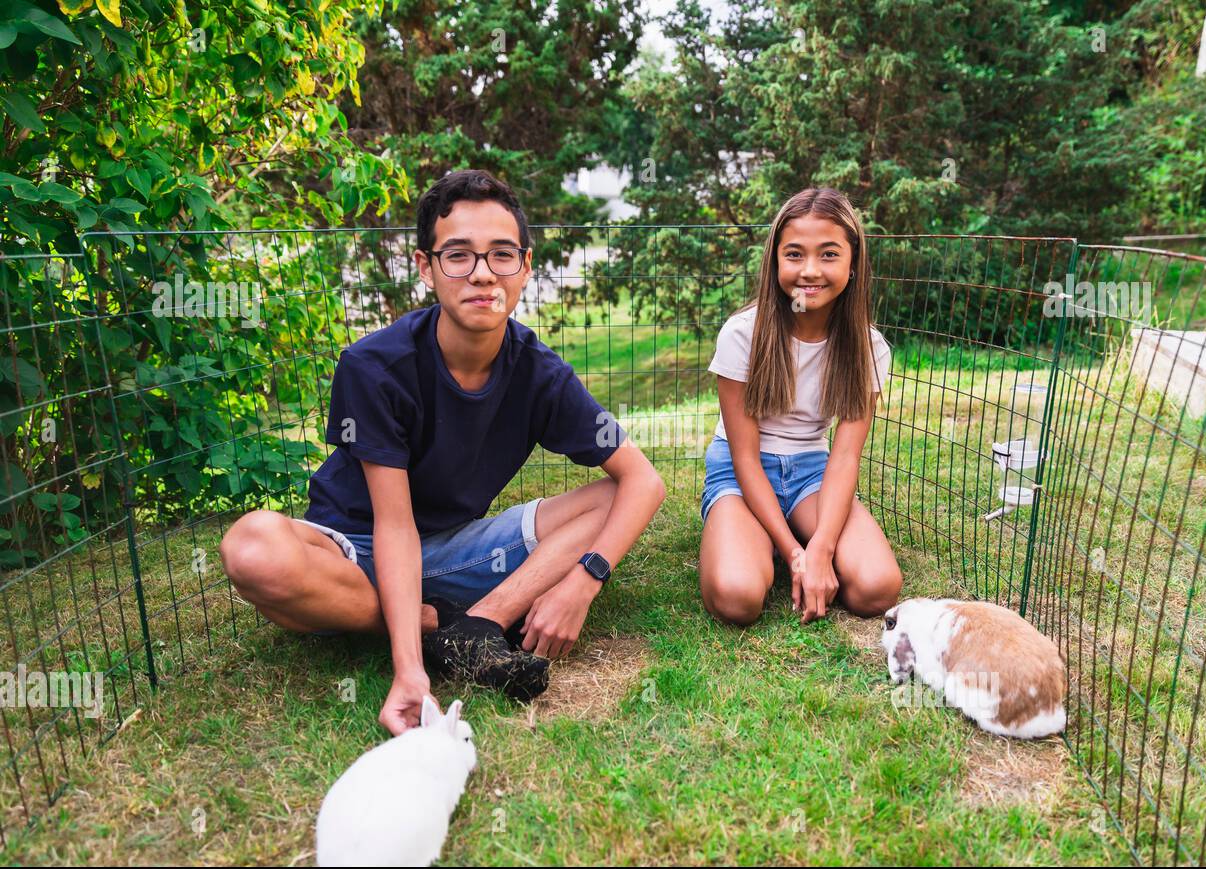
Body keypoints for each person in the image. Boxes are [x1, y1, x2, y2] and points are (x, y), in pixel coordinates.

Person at [219, 169, 666, 735]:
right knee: (254, 550)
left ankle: (477, 625)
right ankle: (430, 625)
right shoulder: (374, 366)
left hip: (453, 553)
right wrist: (408, 673)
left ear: (525, 267)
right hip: (353, 555)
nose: (482, 273)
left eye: (502, 254)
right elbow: (395, 526)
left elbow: (644, 481)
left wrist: (584, 579)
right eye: (458, 255)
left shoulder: (539, 372)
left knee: (612, 497)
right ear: (425, 267)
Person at [698, 187, 902, 626]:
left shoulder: (869, 348)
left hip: (813, 472)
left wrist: (823, 550)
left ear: (853, 264)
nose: (810, 271)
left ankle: (779, 536)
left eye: (828, 254)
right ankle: (759, 536)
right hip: (740, 474)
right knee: (738, 597)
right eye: (794, 255)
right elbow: (744, 457)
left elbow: (845, 456)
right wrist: (797, 554)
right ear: (775, 262)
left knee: (877, 588)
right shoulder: (742, 335)